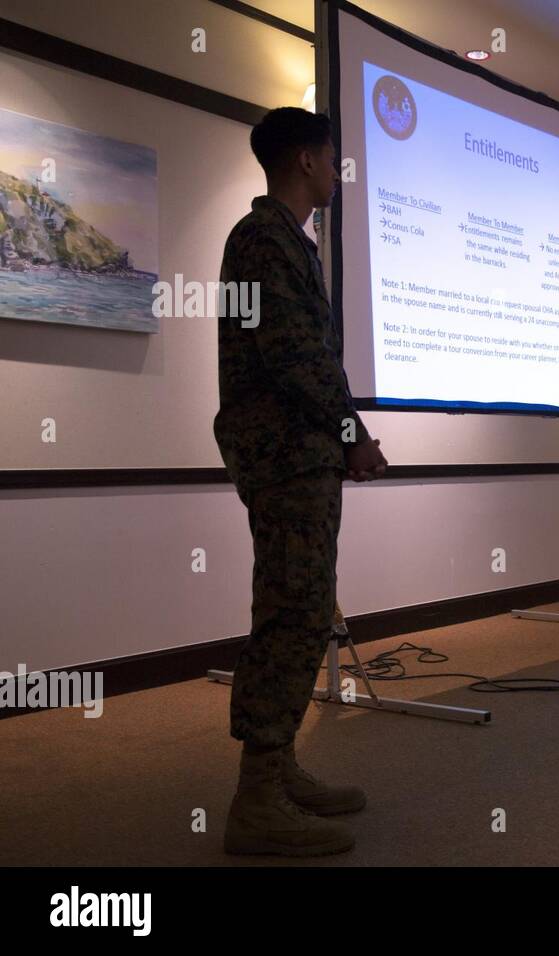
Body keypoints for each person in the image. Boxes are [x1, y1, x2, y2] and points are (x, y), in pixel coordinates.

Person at [214, 106, 388, 856]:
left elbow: (304, 357)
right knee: (291, 613)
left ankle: (278, 769)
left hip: (300, 454)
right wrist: (355, 434)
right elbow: (294, 358)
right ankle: (256, 797)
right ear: (307, 161)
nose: (338, 169)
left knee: (304, 607)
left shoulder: (288, 241)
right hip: (285, 456)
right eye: (331, 155)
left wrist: (343, 436)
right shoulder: (263, 240)